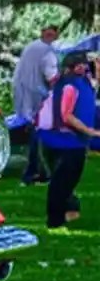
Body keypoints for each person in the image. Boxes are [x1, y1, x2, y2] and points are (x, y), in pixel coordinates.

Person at [37, 51, 98, 230]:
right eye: (82, 64)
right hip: (62, 141)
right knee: (62, 182)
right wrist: (90, 131)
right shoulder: (69, 86)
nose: (85, 66)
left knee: (67, 180)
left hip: (68, 140)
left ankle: (69, 212)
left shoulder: (82, 83)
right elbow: (66, 115)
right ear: (74, 66)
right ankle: (55, 221)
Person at [12, 25, 60, 185]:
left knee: (35, 131)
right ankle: (33, 173)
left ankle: (40, 172)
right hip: (38, 97)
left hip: (22, 94)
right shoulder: (48, 52)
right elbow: (52, 77)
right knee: (40, 133)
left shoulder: (30, 47)